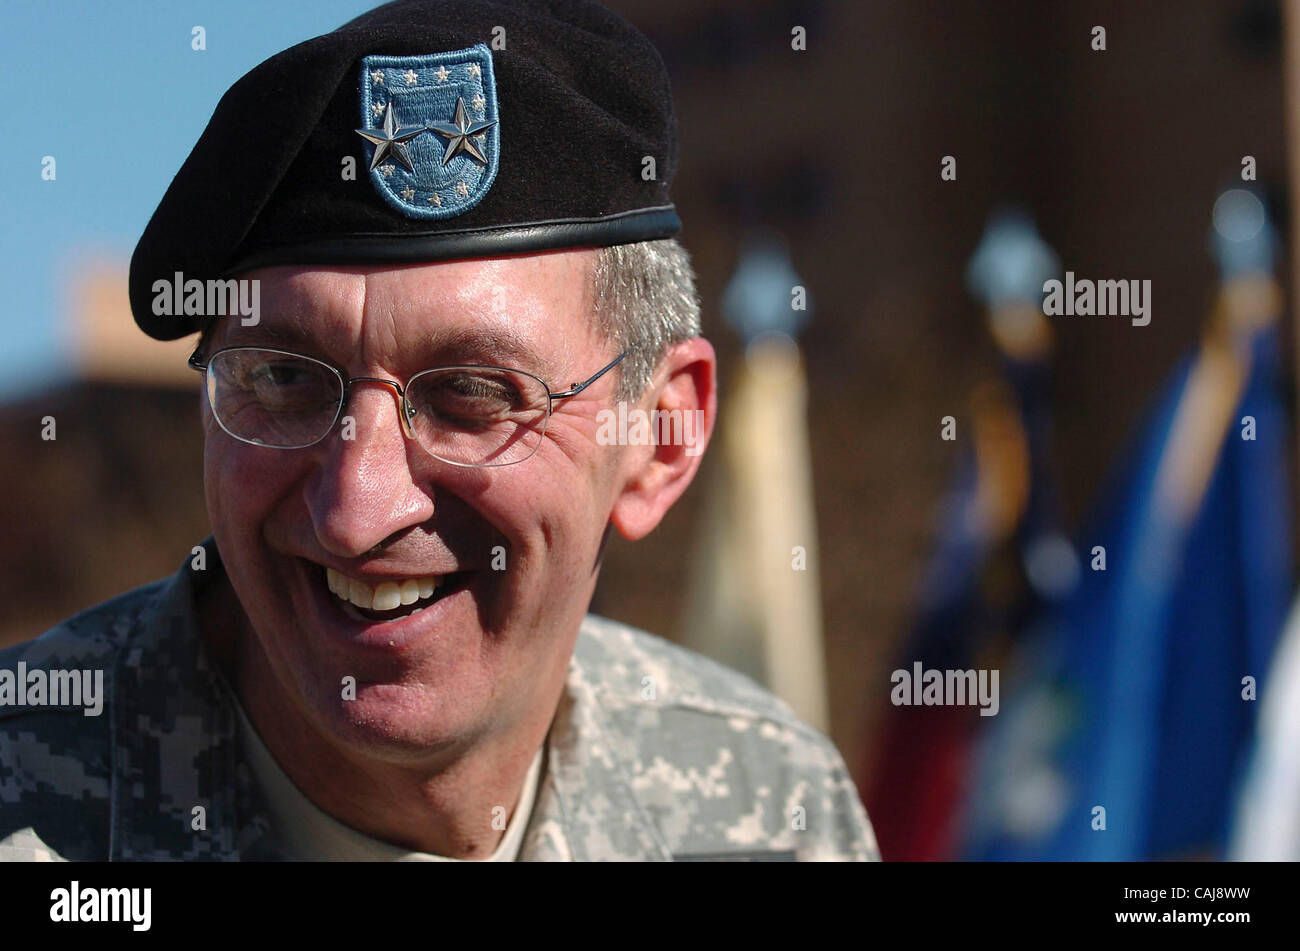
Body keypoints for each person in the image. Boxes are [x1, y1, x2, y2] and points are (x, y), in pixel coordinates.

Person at [0, 0, 879, 861]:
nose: (357, 508)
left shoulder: (768, 808)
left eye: (469, 393)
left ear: (660, 436)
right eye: (282, 379)